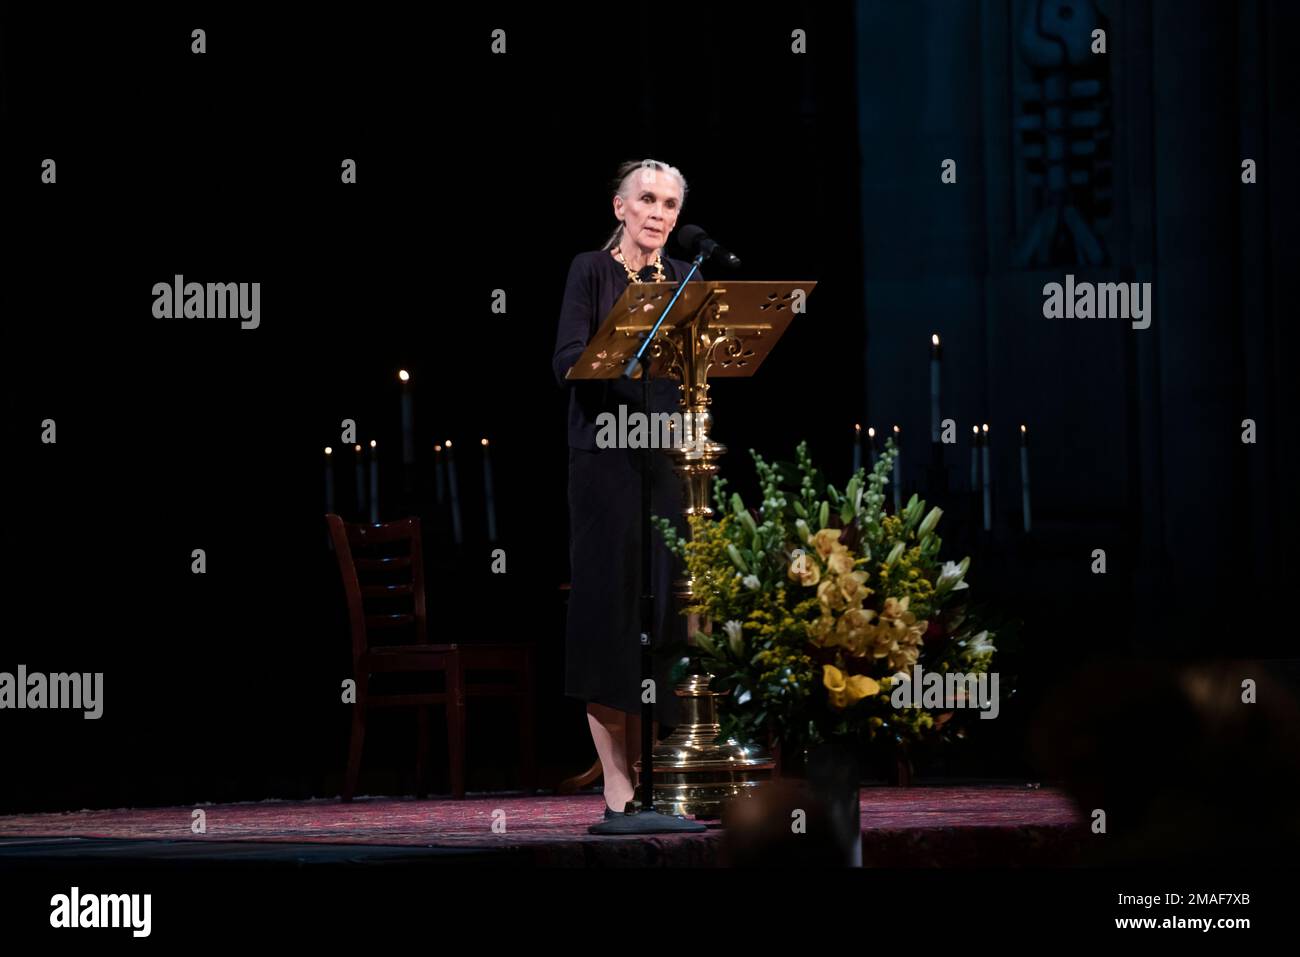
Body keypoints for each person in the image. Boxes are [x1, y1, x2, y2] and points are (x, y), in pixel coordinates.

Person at [552, 159, 703, 819]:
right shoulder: (591, 269)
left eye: (669, 203)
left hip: (663, 462)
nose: (659, 214)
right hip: (605, 463)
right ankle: (616, 778)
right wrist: (623, 356)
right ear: (620, 208)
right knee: (609, 614)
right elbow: (565, 361)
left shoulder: (687, 282)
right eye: (646, 199)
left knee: (662, 613)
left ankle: (652, 770)